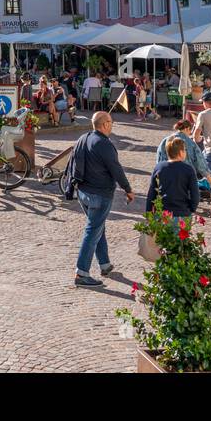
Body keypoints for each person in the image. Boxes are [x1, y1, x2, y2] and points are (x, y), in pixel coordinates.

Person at [72, 110, 134, 288]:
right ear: (105, 124)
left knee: (98, 227)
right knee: (93, 231)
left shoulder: (84, 138)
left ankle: (104, 264)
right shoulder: (104, 144)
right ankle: (81, 273)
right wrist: (128, 189)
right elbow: (116, 169)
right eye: (111, 122)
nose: (112, 125)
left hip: (83, 192)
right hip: (99, 194)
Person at [155, 119, 211, 210]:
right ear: (187, 129)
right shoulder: (191, 143)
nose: (190, 133)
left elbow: (159, 160)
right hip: (186, 179)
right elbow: (201, 164)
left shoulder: (165, 141)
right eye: (190, 131)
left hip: (168, 177)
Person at [145, 136, 200, 220]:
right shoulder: (188, 170)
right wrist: (191, 209)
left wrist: (149, 212)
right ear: (181, 152)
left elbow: (152, 193)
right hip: (181, 213)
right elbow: (195, 194)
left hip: (162, 213)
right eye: (185, 150)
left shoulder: (159, 167)